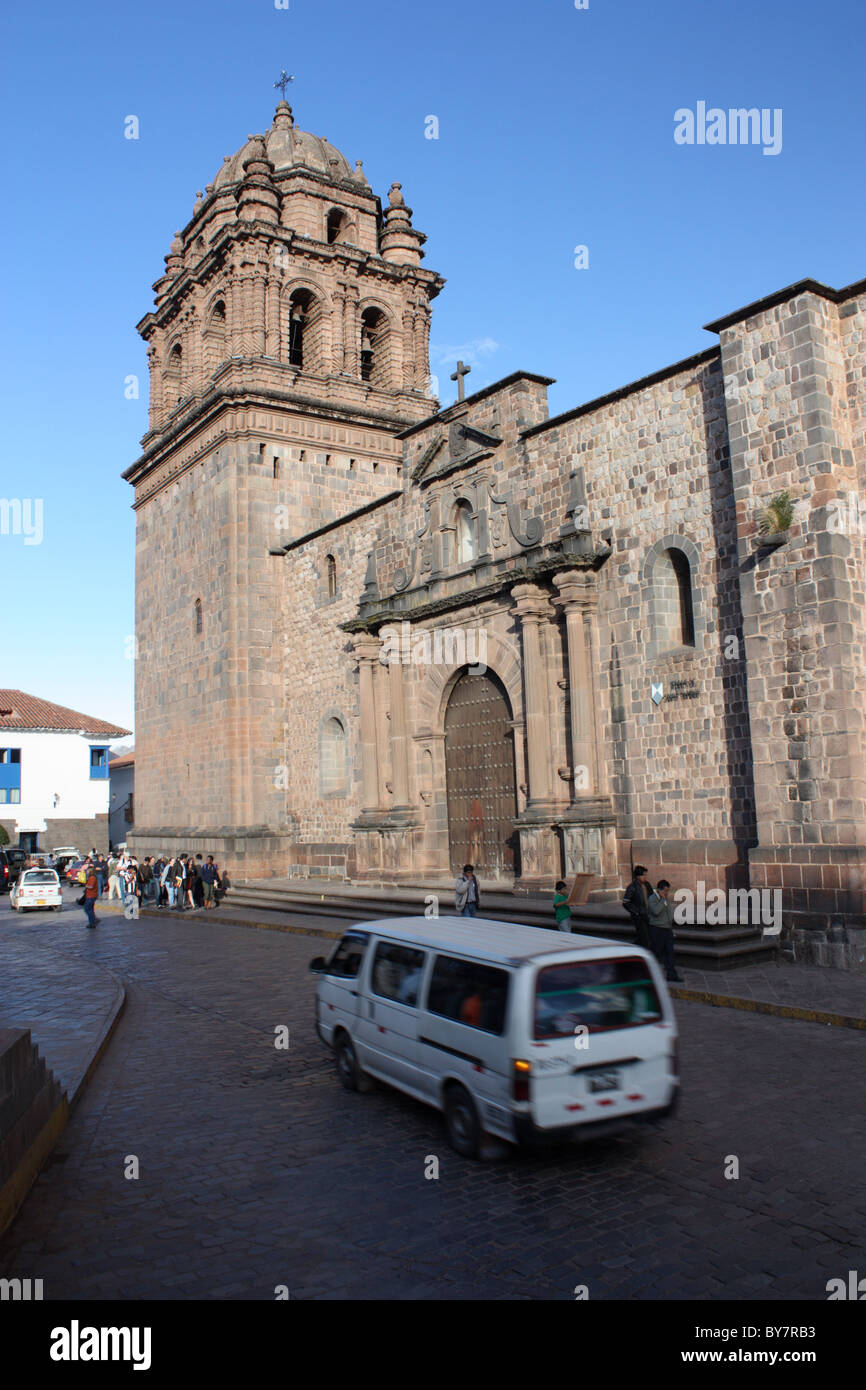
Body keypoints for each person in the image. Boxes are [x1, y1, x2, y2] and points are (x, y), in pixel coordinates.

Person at [647, 879, 682, 982]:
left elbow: (668, 912)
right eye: (665, 890)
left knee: (669, 953)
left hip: (667, 929)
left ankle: (672, 975)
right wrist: (662, 900)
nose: (667, 893)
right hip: (657, 929)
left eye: (668, 891)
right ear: (659, 890)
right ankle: (648, 973)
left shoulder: (665, 898)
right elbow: (656, 911)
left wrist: (670, 926)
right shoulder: (652, 899)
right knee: (655, 953)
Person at [623, 865, 652, 950]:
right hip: (639, 917)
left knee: (646, 936)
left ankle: (632, 949)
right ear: (638, 876)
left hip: (648, 914)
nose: (645, 877)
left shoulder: (647, 885)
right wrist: (637, 912)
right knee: (644, 937)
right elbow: (625, 902)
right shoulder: (632, 887)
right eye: (643, 875)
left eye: (646, 875)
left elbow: (652, 896)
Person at [82, 864, 100, 929]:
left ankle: (93, 921)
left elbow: (91, 886)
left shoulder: (92, 877)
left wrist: (85, 885)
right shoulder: (91, 877)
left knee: (87, 909)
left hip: (91, 895)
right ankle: (93, 921)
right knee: (90, 909)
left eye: (87, 870)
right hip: (90, 895)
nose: (86, 871)